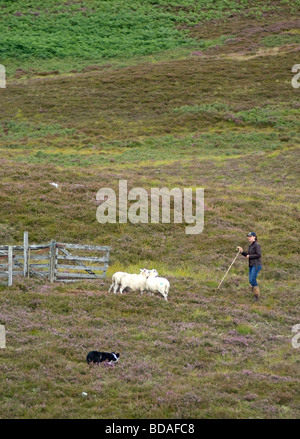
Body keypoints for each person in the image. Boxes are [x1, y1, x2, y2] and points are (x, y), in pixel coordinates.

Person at [238, 232, 262, 301]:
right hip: (251, 264)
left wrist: (250, 256)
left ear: (254, 237)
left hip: (256, 264)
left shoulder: (256, 245)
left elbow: (258, 255)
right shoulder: (251, 246)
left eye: (250, 236)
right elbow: (248, 255)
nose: (249, 237)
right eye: (248, 236)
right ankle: (254, 291)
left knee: (252, 279)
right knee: (251, 280)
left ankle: (256, 295)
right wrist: (242, 252)